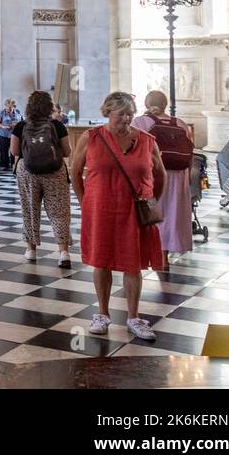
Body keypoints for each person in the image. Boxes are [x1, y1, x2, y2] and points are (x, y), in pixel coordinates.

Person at [72, 91, 166, 343]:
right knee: (101, 261)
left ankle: (134, 317)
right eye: (121, 114)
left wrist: (150, 201)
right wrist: (85, 202)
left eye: (130, 114)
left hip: (133, 211)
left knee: (133, 264)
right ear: (108, 112)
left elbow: (160, 174)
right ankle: (102, 314)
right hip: (100, 210)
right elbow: (75, 171)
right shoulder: (91, 137)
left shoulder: (147, 140)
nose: (126, 119)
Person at [10, 90, 74, 267]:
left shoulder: (20, 126)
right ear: (49, 107)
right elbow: (67, 152)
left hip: (28, 172)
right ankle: (63, 253)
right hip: (55, 172)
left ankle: (31, 251)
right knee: (59, 211)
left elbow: (14, 151)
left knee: (30, 210)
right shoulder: (57, 125)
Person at [132, 90, 194, 270]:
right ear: (166, 105)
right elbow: (190, 152)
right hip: (179, 175)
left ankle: (152, 253)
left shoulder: (140, 122)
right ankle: (164, 254)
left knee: (153, 212)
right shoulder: (180, 123)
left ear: (146, 103)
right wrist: (189, 178)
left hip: (153, 174)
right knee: (173, 214)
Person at [0, 98, 21, 170]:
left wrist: (17, 124)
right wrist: (3, 126)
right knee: (4, 150)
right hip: (4, 134)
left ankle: (14, 165)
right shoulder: (2, 113)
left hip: (15, 135)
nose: (8, 108)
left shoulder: (18, 112)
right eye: (7, 107)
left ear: (14, 106)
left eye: (10, 107)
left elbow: (21, 122)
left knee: (14, 150)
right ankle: (4, 165)